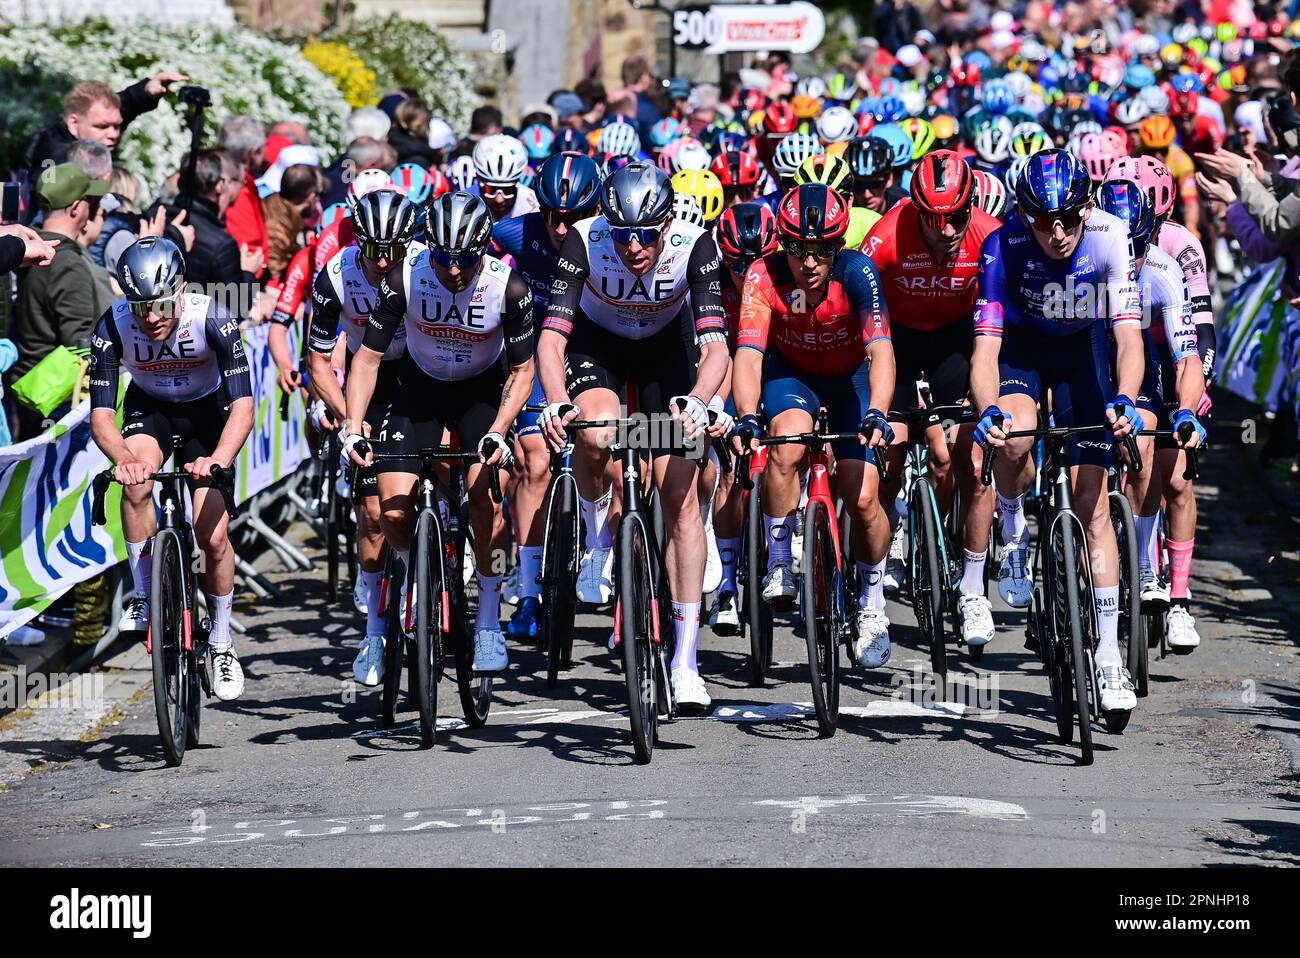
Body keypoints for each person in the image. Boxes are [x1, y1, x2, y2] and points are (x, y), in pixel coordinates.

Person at [536, 163, 729, 709]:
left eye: (646, 235)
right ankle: (599, 533)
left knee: (681, 497)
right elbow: (552, 342)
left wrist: (699, 400)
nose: (635, 247)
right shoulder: (583, 239)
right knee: (595, 436)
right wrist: (556, 403)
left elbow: (716, 348)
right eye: (623, 235)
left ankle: (687, 660)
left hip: (669, 349)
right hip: (600, 347)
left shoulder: (695, 245)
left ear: (667, 224)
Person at [971, 149, 1144, 716]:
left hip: (1083, 351)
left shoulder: (1110, 237)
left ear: (1085, 207)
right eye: (1044, 222)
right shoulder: (1001, 247)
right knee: (1015, 437)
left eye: (1069, 218)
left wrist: (1125, 397)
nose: (1059, 233)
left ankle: (1110, 655)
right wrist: (987, 410)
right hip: (1023, 350)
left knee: (1093, 506)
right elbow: (987, 349)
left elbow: (1128, 338)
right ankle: (1015, 524)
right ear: (1024, 215)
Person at [344, 192, 535, 674]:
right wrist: (352, 426)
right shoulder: (403, 277)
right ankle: (414, 573)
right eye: (444, 257)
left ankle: (489, 621)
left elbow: (523, 371)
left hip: (481, 394)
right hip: (419, 389)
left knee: (486, 502)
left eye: (465, 258)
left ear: (483, 249)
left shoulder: (508, 288)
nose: (453, 269)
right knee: (389, 504)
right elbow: (366, 360)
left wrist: (498, 431)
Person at [731, 183, 896, 667]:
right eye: (799, 249)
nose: (809, 262)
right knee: (785, 445)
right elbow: (748, 354)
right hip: (793, 373)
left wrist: (879, 412)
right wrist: (744, 416)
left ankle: (871, 602)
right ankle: (780, 556)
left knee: (863, 496)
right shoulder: (763, 275)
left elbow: (881, 350)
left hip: (852, 378)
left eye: (821, 249)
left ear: (837, 246)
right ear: (784, 245)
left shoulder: (858, 272)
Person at [87, 238, 254, 700]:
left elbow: (243, 406)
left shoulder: (214, 318)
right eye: (140, 308)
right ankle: (144, 594)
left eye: (160, 305)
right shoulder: (113, 327)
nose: (152, 317)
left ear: (180, 291)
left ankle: (221, 641)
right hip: (152, 408)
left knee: (213, 537)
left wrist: (218, 460)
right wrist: (124, 460)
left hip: (209, 413)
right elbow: (101, 416)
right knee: (137, 484)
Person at [862, 150, 1002, 648]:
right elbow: (858, 305)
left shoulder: (989, 234)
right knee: (890, 453)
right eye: (932, 220)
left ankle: (971, 588)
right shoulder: (885, 236)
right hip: (896, 340)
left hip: (957, 343)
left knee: (969, 454)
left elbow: (1002, 319)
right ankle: (872, 596)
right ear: (914, 208)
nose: (945, 231)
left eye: (955, 218)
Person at [303, 190, 418, 685]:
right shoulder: (334, 273)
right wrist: (348, 415)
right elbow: (318, 363)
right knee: (373, 515)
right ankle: (374, 630)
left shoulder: (424, 265)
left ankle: (446, 545)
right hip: (366, 383)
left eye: (394, 249)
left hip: (425, 373)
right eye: (374, 249)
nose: (384, 261)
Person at [490, 151, 602, 641]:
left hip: (592, 352)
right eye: (554, 215)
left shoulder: (604, 238)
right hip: (536, 353)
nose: (562, 226)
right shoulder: (518, 231)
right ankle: (530, 589)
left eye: (574, 216)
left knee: (613, 456)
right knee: (534, 460)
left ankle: (620, 571)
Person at [1095, 179, 1208, 651]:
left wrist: (1185, 412)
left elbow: (1187, 357)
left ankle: (1163, 584)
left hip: (1145, 360)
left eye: (1140, 246)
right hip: (1090, 353)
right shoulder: (1081, 264)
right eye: (1124, 247)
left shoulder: (1161, 271)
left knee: (1172, 470)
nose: (1133, 257)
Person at [11, 164, 110, 439]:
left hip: (27, 387)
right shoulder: (66, 261)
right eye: (92, 202)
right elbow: (79, 343)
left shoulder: (24, 251)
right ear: (77, 208)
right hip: (55, 400)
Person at [24, 73, 188, 199]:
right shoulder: (53, 158)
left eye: (117, 126)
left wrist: (146, 92)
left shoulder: (87, 131)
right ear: (74, 123)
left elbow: (118, 109)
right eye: (102, 127)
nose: (113, 134)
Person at [156, 150, 262, 295]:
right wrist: (248, 273)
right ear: (219, 185)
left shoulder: (155, 217)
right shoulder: (222, 245)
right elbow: (237, 307)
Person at [472, 135, 539, 221]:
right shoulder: (465, 205)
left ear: (518, 181)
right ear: (478, 179)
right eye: (490, 189)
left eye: (508, 190)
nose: (499, 200)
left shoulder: (534, 207)